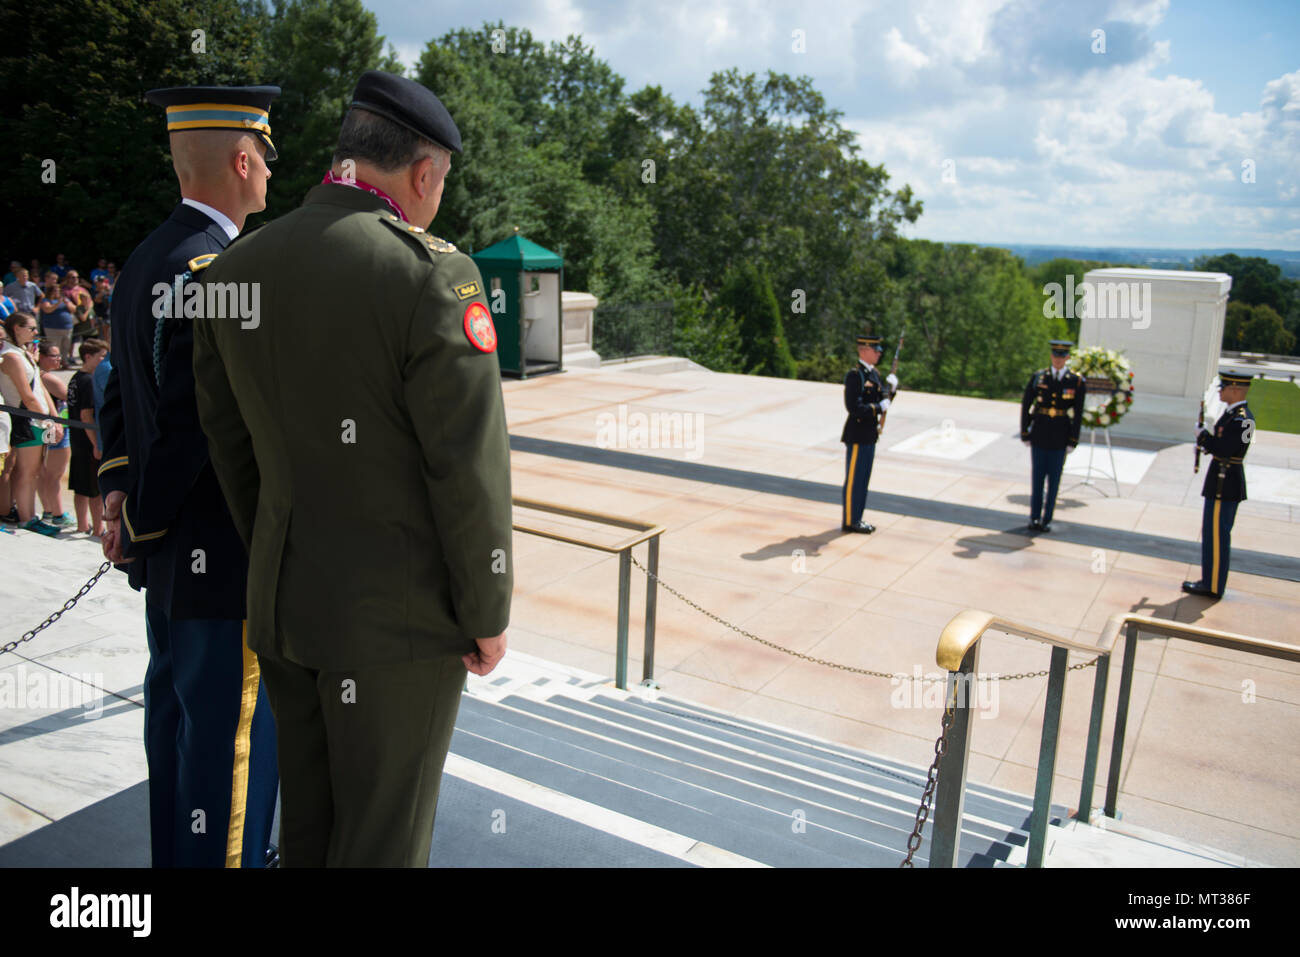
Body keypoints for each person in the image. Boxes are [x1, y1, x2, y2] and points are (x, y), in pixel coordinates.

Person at [193, 70, 512, 867]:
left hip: (286, 610)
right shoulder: (433, 274)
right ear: (425, 172)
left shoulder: (232, 274)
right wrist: (486, 608)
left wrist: (278, 554)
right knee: (382, 845)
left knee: (309, 830)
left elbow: (231, 450)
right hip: (396, 627)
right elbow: (467, 469)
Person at [96, 84, 282, 868]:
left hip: (171, 560)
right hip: (217, 557)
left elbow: (114, 385)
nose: (272, 171)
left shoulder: (149, 256)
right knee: (226, 759)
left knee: (174, 734)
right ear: (241, 159)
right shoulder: (223, 268)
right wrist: (138, 513)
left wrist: (118, 491)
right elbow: (192, 423)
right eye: (266, 157)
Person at [1183, 373, 1255, 599]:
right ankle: (1210, 580)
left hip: (1224, 482)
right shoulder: (1235, 415)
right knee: (1213, 533)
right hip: (1223, 480)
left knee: (1217, 536)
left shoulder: (1242, 418)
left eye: (1223, 387)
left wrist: (1203, 437)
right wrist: (1206, 443)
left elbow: (1225, 450)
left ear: (1235, 390)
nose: (1220, 391)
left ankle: (1212, 585)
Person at [1, 313, 63, 534]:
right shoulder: (11, 356)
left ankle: (26, 514)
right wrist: (47, 420)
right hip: (27, 419)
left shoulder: (22, 353)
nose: (36, 332)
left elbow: (40, 388)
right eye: (32, 328)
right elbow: (26, 395)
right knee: (27, 471)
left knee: (32, 470)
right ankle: (27, 518)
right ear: (17, 328)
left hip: (37, 418)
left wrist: (54, 417)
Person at [1020, 339, 1086, 533]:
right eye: (1055, 355)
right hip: (1040, 433)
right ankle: (1034, 517)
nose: (1058, 359)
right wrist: (1025, 432)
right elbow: (1026, 406)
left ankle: (1047, 519)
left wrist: (1073, 439)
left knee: (1054, 480)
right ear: (1051, 356)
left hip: (1060, 436)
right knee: (1037, 478)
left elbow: (1078, 412)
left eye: (1062, 356)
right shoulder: (1039, 377)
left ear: (1067, 358)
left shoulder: (1076, 381)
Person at [840, 332, 896, 534]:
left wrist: (893, 390)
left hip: (870, 435)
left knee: (863, 480)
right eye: (875, 350)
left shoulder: (874, 374)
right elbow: (854, 407)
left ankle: (857, 518)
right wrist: (878, 407)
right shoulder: (856, 375)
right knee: (854, 480)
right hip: (857, 435)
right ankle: (850, 520)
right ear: (863, 350)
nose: (879, 354)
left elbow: (883, 401)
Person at [68, 338, 109, 535]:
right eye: (101, 356)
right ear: (88, 357)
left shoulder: (76, 377)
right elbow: (86, 414)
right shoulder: (87, 381)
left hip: (76, 439)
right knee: (94, 490)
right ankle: (98, 529)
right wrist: (97, 444)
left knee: (81, 487)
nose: (103, 360)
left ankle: (82, 524)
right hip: (88, 440)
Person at [36, 342, 73, 527]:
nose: (59, 359)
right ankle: (57, 514)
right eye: (54, 355)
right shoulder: (48, 379)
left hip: (44, 428)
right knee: (54, 475)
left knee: (43, 472)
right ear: (41, 356)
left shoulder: (37, 376)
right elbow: (70, 397)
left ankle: (49, 511)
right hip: (57, 429)